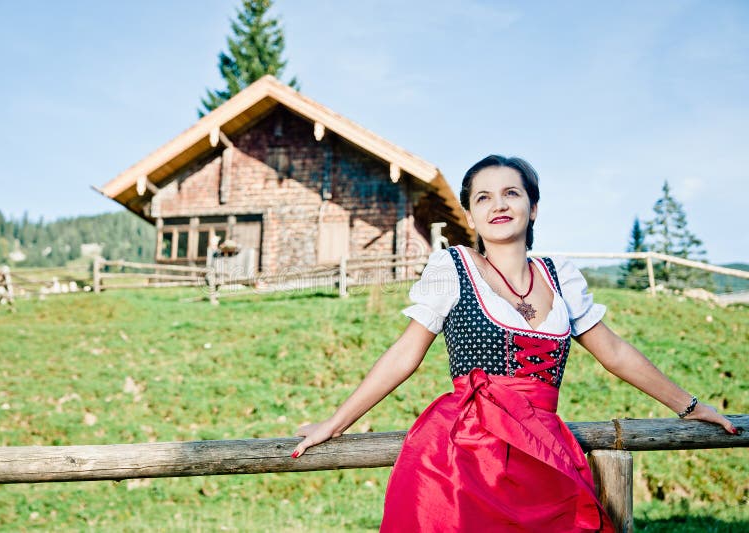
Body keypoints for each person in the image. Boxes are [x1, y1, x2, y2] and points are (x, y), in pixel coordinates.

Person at [290, 155, 738, 532]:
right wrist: (335, 422)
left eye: (511, 193)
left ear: (534, 207)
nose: (497, 204)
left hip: (542, 451)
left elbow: (616, 353)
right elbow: (405, 354)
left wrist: (690, 405)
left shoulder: (560, 277)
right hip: (465, 452)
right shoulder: (453, 268)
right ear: (468, 216)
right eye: (482, 197)